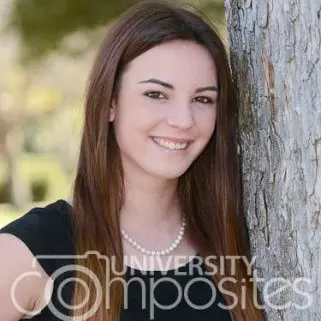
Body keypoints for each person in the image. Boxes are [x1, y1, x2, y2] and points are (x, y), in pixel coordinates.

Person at [0, 1, 265, 320]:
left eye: (203, 99)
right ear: (110, 102)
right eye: (156, 94)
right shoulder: (30, 250)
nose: (183, 120)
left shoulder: (239, 239)